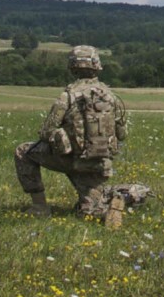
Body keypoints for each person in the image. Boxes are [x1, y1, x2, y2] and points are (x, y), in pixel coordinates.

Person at [14, 45, 129, 220]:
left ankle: (39, 208)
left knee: (23, 151)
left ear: (72, 67)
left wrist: (62, 139)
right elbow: (122, 134)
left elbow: (46, 131)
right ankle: (112, 208)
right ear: (97, 66)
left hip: (70, 160)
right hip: (100, 164)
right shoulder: (112, 97)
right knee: (89, 211)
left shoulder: (68, 96)